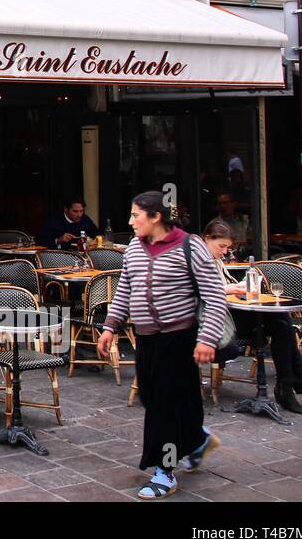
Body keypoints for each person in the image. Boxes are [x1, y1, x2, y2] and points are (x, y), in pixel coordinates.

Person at [97, 191, 227, 500]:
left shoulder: (189, 246)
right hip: (146, 338)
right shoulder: (133, 249)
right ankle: (197, 441)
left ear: (156, 217)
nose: (131, 222)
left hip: (178, 338)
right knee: (153, 399)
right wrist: (109, 327)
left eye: (135, 215)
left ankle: (165, 471)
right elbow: (124, 290)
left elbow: (214, 296)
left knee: (165, 406)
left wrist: (207, 338)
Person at [200, 219, 302, 413]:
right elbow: (199, 291)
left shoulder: (216, 260)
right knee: (280, 322)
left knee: (281, 321)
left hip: (227, 313)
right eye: (221, 246)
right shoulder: (199, 260)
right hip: (214, 321)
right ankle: (292, 383)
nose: (225, 251)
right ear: (207, 239)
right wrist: (231, 289)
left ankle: (290, 384)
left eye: (227, 247)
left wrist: (238, 289)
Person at [36, 197, 100, 248]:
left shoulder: (85, 219)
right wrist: (58, 240)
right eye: (75, 211)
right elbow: (40, 241)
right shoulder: (53, 221)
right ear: (66, 209)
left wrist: (89, 238)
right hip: (60, 257)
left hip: (82, 256)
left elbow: (97, 235)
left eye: (81, 211)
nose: (79, 215)